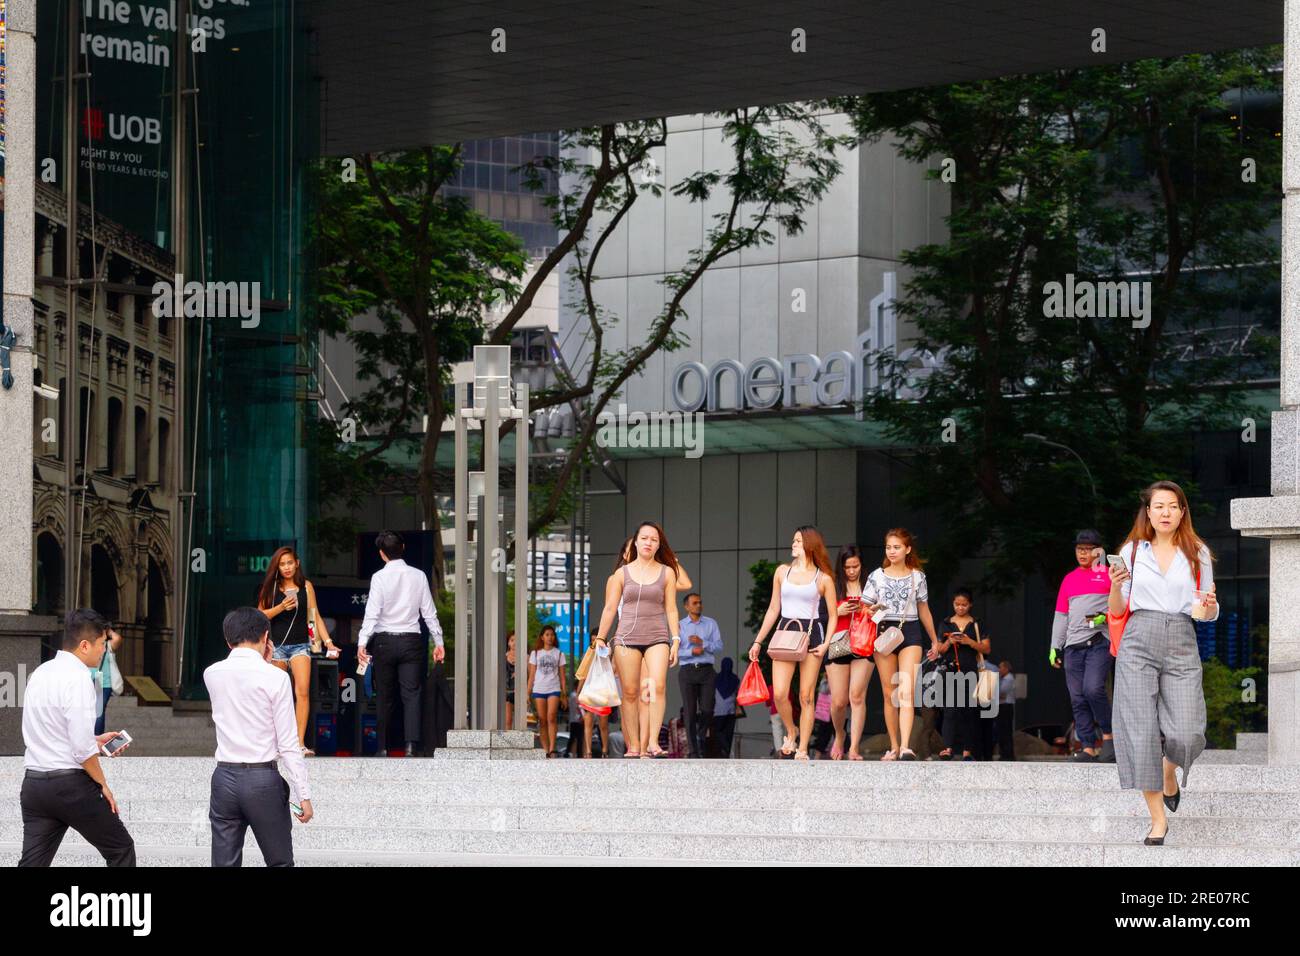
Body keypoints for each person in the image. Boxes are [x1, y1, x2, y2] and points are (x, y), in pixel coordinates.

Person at [1108, 480, 1216, 847]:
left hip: (1183, 637)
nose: (1166, 512)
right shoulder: (1132, 551)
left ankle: (1170, 770)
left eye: (1173, 506)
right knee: (1139, 733)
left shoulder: (1197, 552)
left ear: (1182, 512)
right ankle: (1157, 821)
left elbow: (1206, 609)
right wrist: (1113, 584)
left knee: (1188, 734)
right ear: (1149, 513)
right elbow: (1118, 608)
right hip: (1139, 636)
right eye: (1159, 506)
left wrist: (1209, 607)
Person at [19, 609, 135, 867]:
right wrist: (103, 784)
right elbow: (81, 751)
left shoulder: (40, 673)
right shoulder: (79, 678)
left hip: (35, 785)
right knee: (121, 849)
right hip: (70, 787)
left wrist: (95, 740)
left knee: (32, 863)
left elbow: (51, 730)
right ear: (84, 645)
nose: (104, 651)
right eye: (102, 644)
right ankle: (122, 908)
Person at [204, 607, 314, 867]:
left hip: (224, 779)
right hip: (262, 780)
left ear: (227, 640)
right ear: (266, 637)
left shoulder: (211, 674)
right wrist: (304, 794)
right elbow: (288, 744)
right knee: (280, 862)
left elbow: (239, 682)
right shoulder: (276, 677)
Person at [592, 521, 682, 758]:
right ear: (636, 541)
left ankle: (652, 742)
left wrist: (676, 638)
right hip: (625, 638)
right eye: (644, 538)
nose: (648, 542)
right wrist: (601, 637)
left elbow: (671, 609)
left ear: (658, 544)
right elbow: (610, 608)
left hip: (658, 637)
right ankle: (633, 746)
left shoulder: (667, 572)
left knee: (657, 686)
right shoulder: (621, 574)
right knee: (630, 692)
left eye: (653, 539)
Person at [750, 526, 839, 761]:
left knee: (806, 696)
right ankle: (791, 730)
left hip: (812, 635)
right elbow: (773, 608)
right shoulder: (782, 572)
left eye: (798, 541)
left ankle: (802, 749)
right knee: (779, 694)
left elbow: (832, 615)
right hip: (786, 632)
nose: (793, 544)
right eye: (793, 540)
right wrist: (758, 640)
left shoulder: (824, 578)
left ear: (809, 545)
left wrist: (827, 643)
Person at [357, 530, 445, 757]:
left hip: (384, 642)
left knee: (385, 695)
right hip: (411, 641)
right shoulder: (418, 576)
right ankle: (410, 746)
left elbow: (372, 613)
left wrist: (361, 643)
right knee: (412, 694)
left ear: (381, 554)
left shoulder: (379, 578)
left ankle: (382, 747)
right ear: (403, 548)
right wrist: (439, 641)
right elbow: (429, 612)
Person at [864, 528, 939, 761]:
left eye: (897, 547)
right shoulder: (876, 576)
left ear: (907, 549)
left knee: (906, 690)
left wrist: (935, 640)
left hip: (911, 631)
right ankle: (894, 746)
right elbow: (865, 608)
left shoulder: (918, 576)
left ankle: (906, 746)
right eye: (889, 547)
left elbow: (924, 609)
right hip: (884, 631)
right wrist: (872, 609)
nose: (892, 551)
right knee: (890, 693)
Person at [257, 546, 338, 754]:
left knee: (301, 692)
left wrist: (327, 642)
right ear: (277, 566)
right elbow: (260, 615)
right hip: (277, 648)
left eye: (289, 563)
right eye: (282, 564)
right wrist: (282, 607)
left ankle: (299, 743)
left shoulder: (306, 586)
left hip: (301, 645)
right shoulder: (271, 588)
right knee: (275, 697)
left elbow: (314, 616)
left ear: (297, 563)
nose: (286, 568)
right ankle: (274, 745)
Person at [1050, 529, 1116, 762]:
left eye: (1088, 550)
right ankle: (1087, 746)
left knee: (1093, 689)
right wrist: (1055, 646)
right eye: (1080, 549)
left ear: (1098, 551)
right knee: (1077, 697)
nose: (1083, 554)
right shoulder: (1069, 579)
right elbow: (1061, 614)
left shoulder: (1110, 575)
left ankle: (1108, 737)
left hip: (1099, 642)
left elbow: (1124, 605)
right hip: (1073, 645)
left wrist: (1104, 616)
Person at [825, 545, 876, 760]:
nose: (852, 571)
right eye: (847, 567)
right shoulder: (832, 584)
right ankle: (839, 734)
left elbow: (883, 611)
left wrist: (870, 610)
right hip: (838, 641)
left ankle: (854, 747)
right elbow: (818, 616)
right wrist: (836, 611)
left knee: (856, 696)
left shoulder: (871, 585)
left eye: (855, 566)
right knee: (838, 701)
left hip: (864, 642)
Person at [931, 588, 988, 760]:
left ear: (970, 605)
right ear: (953, 604)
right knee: (950, 710)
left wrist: (969, 641)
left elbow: (986, 648)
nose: (960, 608)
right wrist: (950, 640)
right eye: (957, 604)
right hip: (949, 670)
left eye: (964, 605)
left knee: (969, 711)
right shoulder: (946, 623)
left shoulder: (977, 623)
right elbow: (938, 649)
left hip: (970, 669)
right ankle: (948, 748)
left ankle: (967, 751)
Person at [678, 591, 722, 758]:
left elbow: (719, 646)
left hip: (707, 671)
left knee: (707, 709)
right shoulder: (679, 626)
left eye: (700, 602)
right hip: (687, 670)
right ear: (686, 606)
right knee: (689, 711)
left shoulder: (711, 624)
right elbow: (675, 652)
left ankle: (700, 735)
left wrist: (703, 644)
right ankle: (693, 750)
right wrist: (692, 651)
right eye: (695, 603)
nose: (699, 605)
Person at [528, 625, 567, 756]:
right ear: (542, 637)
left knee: (551, 717)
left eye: (552, 634)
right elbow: (532, 675)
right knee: (542, 719)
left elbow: (562, 676)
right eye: (547, 635)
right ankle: (545, 749)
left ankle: (552, 748)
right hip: (539, 689)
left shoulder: (559, 653)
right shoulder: (536, 653)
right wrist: (528, 693)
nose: (550, 637)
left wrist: (564, 694)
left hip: (554, 688)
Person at [90, 626, 124, 736]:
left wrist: (109, 631)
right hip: (87, 679)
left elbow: (117, 638)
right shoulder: (89, 644)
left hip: (102, 681)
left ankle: (97, 739)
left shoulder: (107, 645)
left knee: (98, 711)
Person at [712, 657, 741, 758]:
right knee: (729, 734)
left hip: (718, 712)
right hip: (731, 711)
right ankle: (726, 753)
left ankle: (724, 751)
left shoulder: (716, 679)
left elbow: (712, 695)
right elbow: (738, 695)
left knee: (718, 732)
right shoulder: (735, 679)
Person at [996, 660, 1016, 760]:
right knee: (1002, 731)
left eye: (1001, 667)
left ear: (1006, 668)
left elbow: (1001, 693)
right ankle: (1004, 753)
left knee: (1006, 731)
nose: (999, 670)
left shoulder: (1008, 679)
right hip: (1002, 706)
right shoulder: (1002, 679)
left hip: (1006, 707)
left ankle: (1007, 755)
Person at [505, 630, 518, 728]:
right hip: (507, 691)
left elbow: (531, 676)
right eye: (512, 640)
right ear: (508, 642)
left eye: (517, 640)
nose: (514, 643)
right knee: (507, 720)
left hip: (520, 692)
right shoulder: (503, 657)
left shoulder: (526, 657)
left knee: (521, 722)